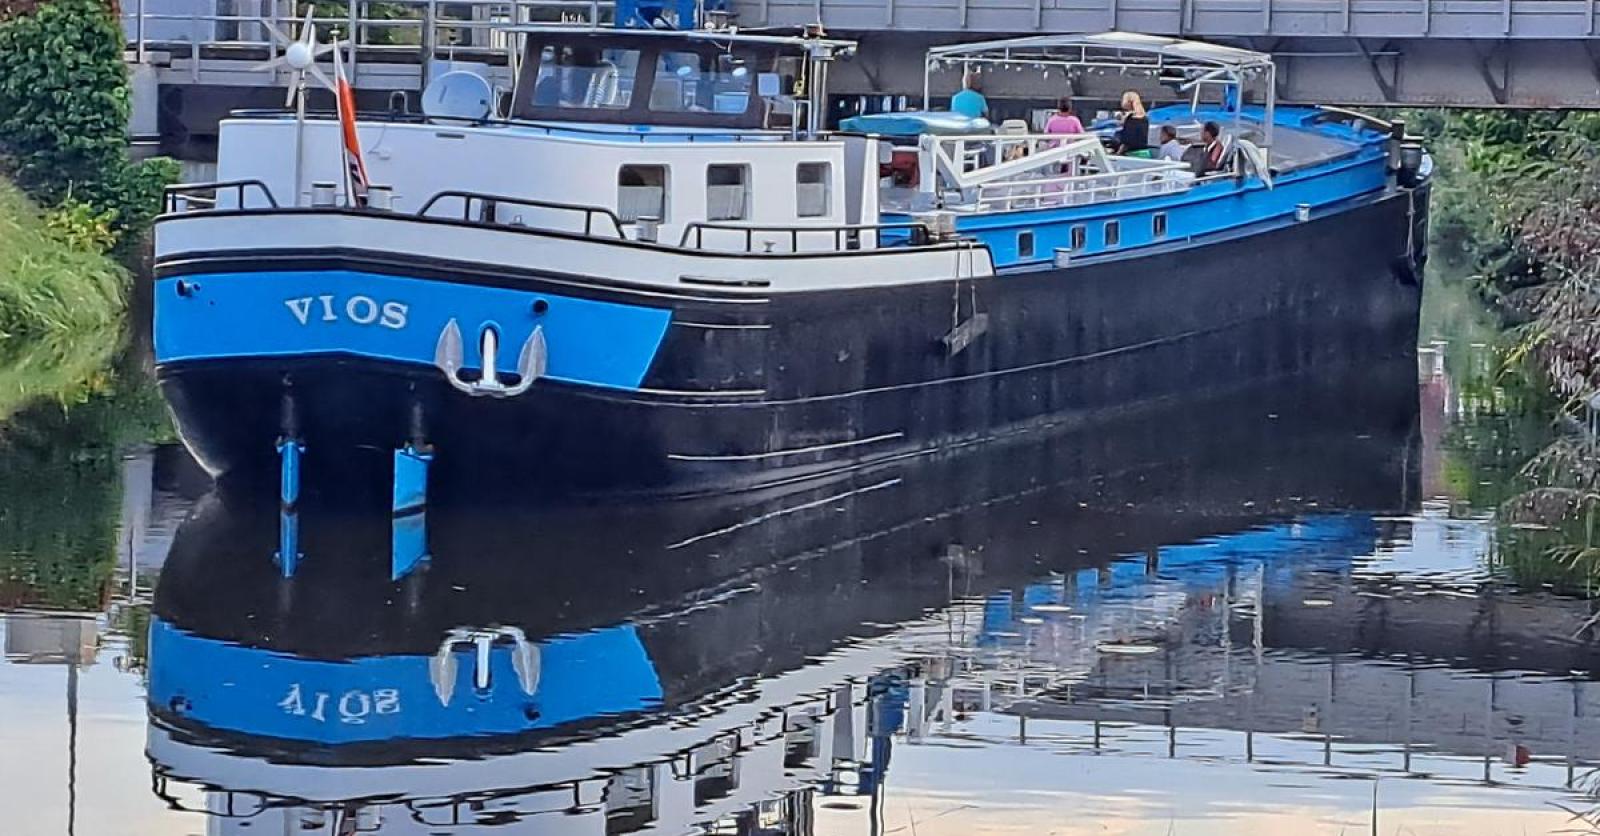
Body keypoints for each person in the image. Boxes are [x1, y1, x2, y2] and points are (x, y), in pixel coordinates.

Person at [1114, 91, 1149, 156]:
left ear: (1129, 101)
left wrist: (1118, 153)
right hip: (1144, 152)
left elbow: (1127, 141)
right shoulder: (1145, 117)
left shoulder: (1133, 119)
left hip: (1133, 154)